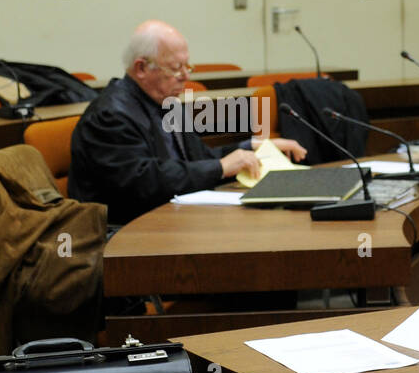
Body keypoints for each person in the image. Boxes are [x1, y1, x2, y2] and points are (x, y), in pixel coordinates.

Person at [69, 20, 306, 225]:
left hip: (171, 219)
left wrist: (252, 148)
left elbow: (198, 160)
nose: (186, 76)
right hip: (126, 234)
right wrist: (221, 167)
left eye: (187, 66)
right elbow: (145, 181)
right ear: (141, 68)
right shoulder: (110, 116)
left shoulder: (166, 102)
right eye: (175, 68)